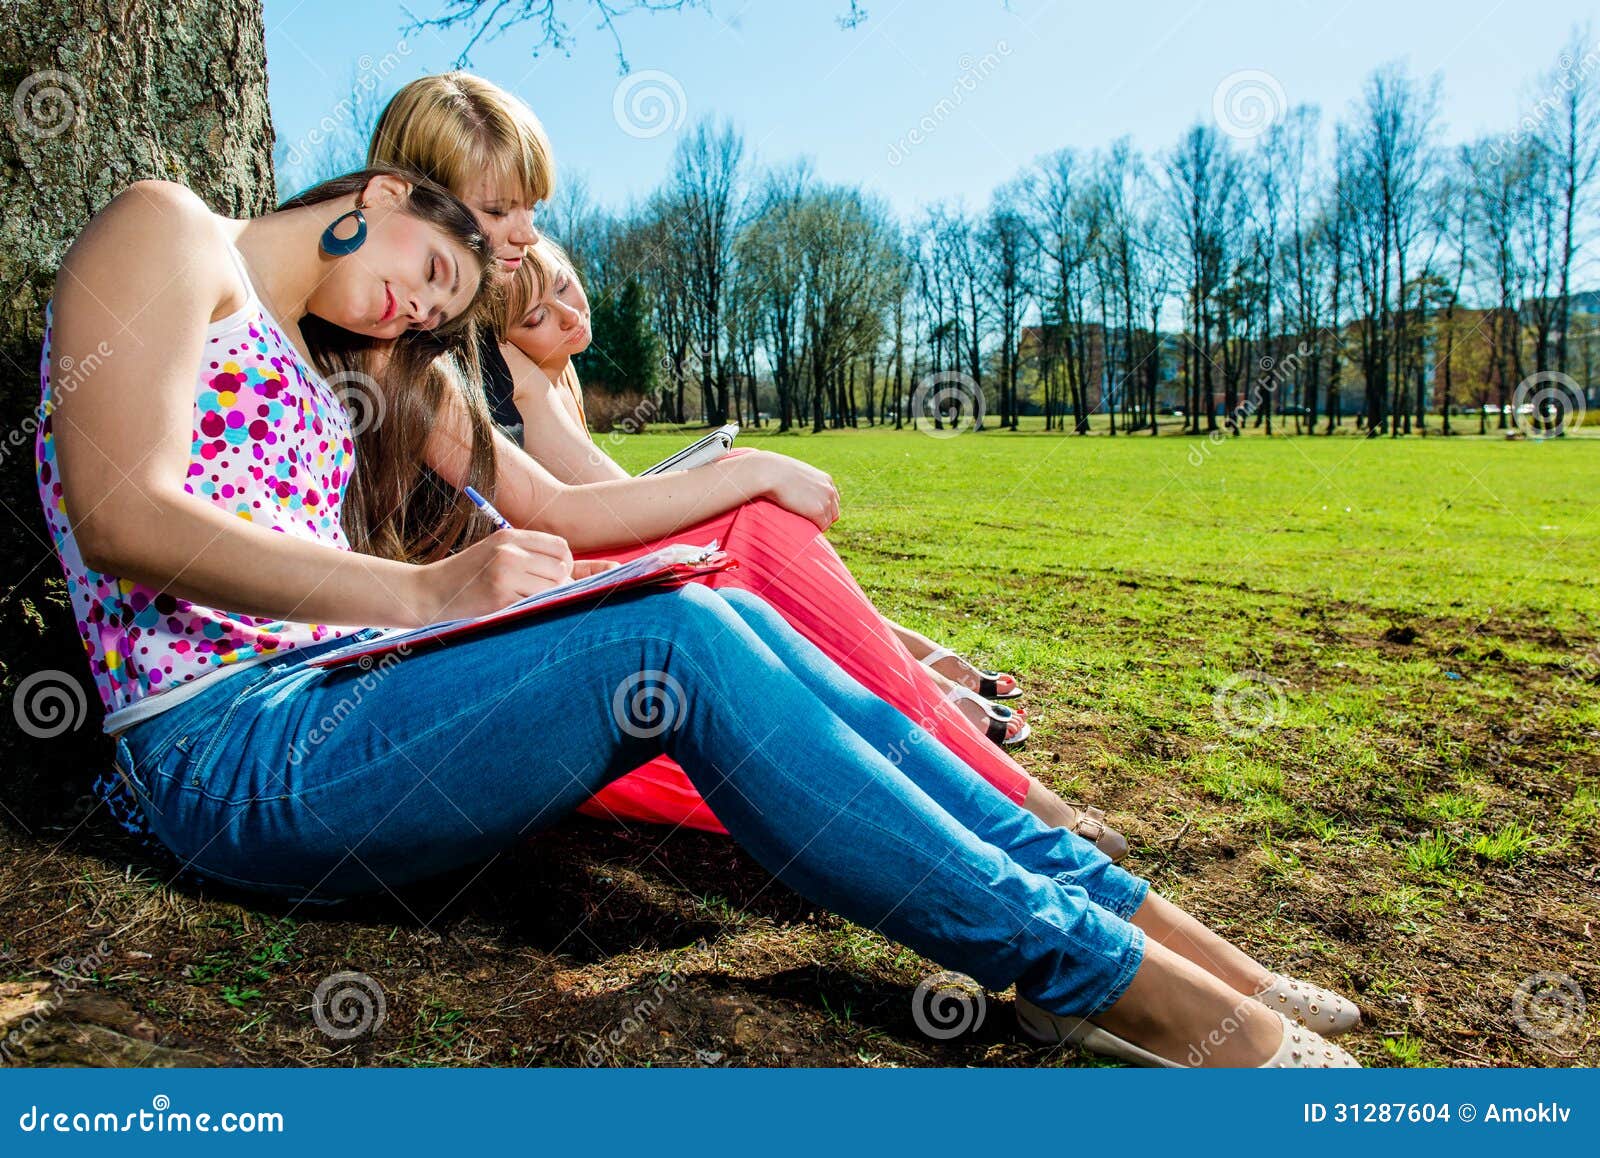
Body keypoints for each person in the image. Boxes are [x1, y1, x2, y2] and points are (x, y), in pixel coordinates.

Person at [37, 168, 1360, 1068]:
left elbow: (534, 491)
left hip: (355, 697)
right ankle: (1101, 978)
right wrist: (430, 592)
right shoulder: (169, 229)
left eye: (443, 308)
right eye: (432, 267)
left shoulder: (344, 359)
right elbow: (121, 512)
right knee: (671, 640)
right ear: (380, 197)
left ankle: (1136, 926)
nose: (420, 309)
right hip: (227, 751)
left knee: (708, 605)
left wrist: (452, 601)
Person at [366, 71, 1127, 855]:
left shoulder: (462, 346)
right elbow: (559, 512)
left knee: (742, 547)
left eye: (533, 211)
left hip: (531, 620)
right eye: (498, 212)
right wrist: (747, 468)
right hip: (471, 667)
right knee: (736, 560)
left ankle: (983, 786)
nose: (525, 234)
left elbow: (565, 507)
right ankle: (980, 797)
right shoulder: (409, 358)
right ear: (408, 199)